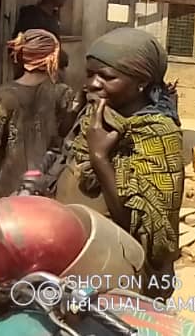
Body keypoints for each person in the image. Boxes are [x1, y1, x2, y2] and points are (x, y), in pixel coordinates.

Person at [55, 28, 184, 299]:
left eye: (107, 77)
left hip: (124, 276)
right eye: (90, 74)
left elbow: (142, 230)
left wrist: (100, 157)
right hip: (77, 264)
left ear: (141, 82)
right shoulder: (98, 116)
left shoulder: (158, 134)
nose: (93, 84)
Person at [0, 30, 78, 204]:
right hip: (47, 186)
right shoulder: (63, 93)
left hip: (9, 187)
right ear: (53, 57)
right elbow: (66, 133)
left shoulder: (5, 94)